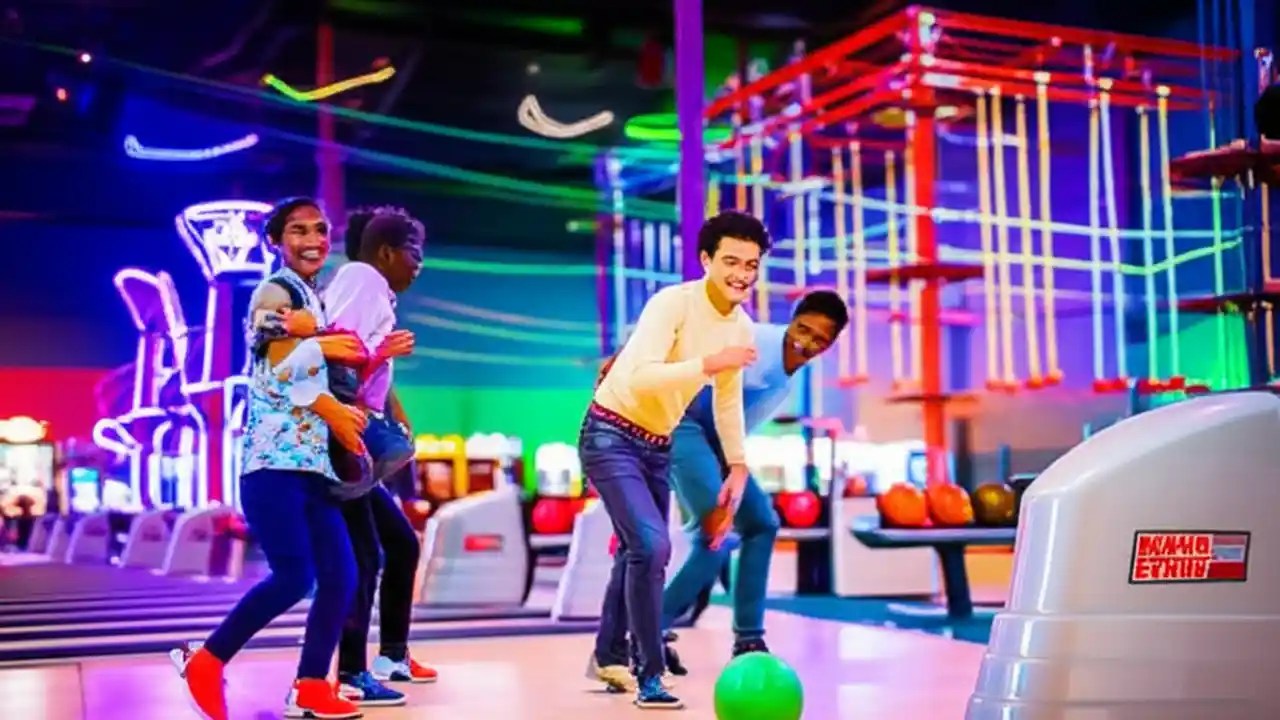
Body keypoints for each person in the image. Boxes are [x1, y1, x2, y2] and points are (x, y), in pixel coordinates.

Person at [171, 197, 368, 720]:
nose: (313, 239)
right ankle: (208, 660)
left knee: (341, 576)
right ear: (276, 241)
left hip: (308, 466)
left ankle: (309, 685)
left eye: (321, 229)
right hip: (273, 466)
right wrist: (332, 391)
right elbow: (279, 364)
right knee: (293, 576)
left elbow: (305, 360)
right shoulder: (276, 290)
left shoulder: (311, 298)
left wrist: (335, 351)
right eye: (298, 230)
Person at [582, 211, 769, 709]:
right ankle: (650, 675)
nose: (742, 275)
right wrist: (710, 363)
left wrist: (738, 465)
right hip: (610, 434)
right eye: (731, 261)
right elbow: (639, 374)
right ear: (706, 259)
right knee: (650, 545)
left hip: (657, 445)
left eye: (751, 265)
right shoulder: (672, 304)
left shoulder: (742, 328)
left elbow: (727, 402)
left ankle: (607, 655)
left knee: (634, 550)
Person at [660, 290, 848, 664]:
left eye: (819, 339)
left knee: (761, 523)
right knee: (717, 534)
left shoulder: (784, 381)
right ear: (792, 321)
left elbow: (733, 427)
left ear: (830, 345)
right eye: (803, 329)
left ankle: (748, 638)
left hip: (716, 443)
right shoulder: (755, 341)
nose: (806, 342)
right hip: (682, 424)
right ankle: (647, 631)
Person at [324, 208, 438, 705]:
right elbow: (337, 356)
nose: (419, 264)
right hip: (343, 440)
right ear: (387, 252)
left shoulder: (370, 285)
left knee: (401, 546)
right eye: (415, 252)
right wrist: (381, 352)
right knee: (365, 556)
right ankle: (350, 672)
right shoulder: (362, 278)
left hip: (355, 437)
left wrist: (395, 407)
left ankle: (391, 654)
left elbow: (365, 359)